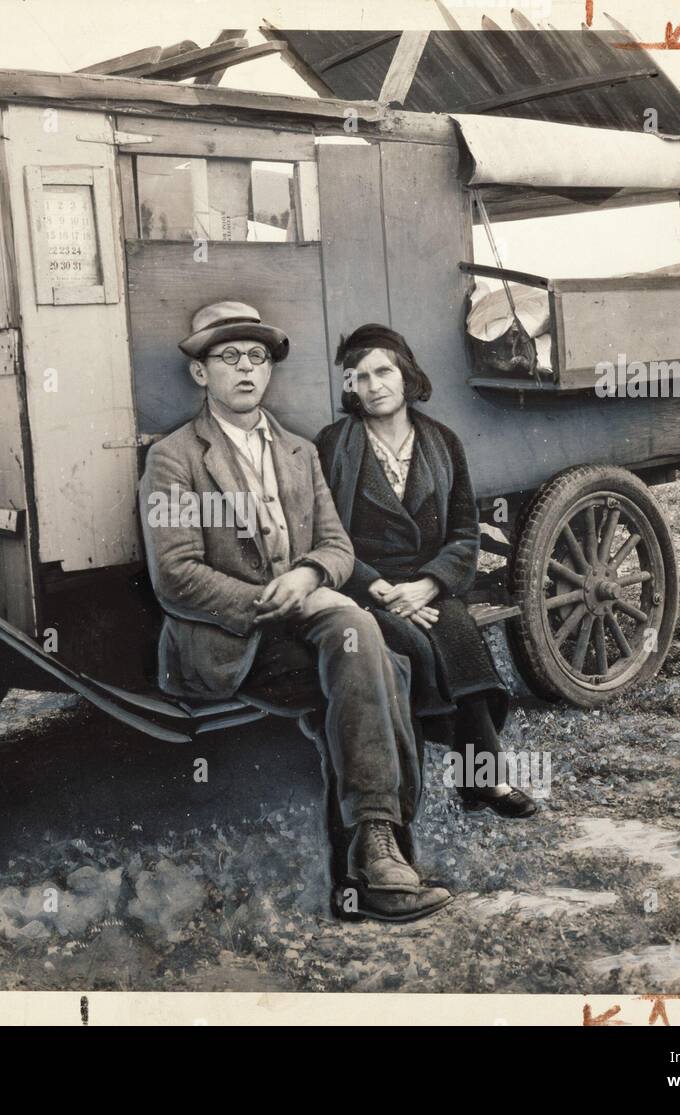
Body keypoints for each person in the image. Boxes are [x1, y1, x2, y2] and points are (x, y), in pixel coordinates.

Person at [139, 301, 452, 921]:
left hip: (303, 612)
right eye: (227, 357)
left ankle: (373, 852)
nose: (246, 369)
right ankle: (379, 854)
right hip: (227, 641)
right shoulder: (174, 458)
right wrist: (266, 598)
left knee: (364, 644)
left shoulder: (299, 452)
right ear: (201, 374)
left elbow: (337, 547)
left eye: (257, 356)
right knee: (379, 667)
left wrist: (308, 574)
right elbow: (174, 577)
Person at [315, 323, 537, 818]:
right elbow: (324, 535)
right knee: (415, 648)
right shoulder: (334, 445)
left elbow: (464, 533)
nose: (373, 386)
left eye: (383, 371)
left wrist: (428, 584)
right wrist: (376, 588)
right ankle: (424, 792)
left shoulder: (442, 442)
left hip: (428, 584)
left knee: (463, 646)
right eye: (359, 377)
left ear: (406, 374)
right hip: (364, 586)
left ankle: (481, 781)